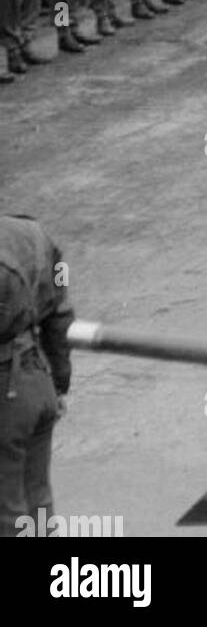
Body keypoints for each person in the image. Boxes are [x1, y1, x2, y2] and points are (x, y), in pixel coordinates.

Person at [0, 213, 74, 537]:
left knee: (7, 517)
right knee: (38, 501)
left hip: (6, 394)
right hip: (38, 382)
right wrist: (58, 384)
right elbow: (60, 313)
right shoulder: (34, 233)